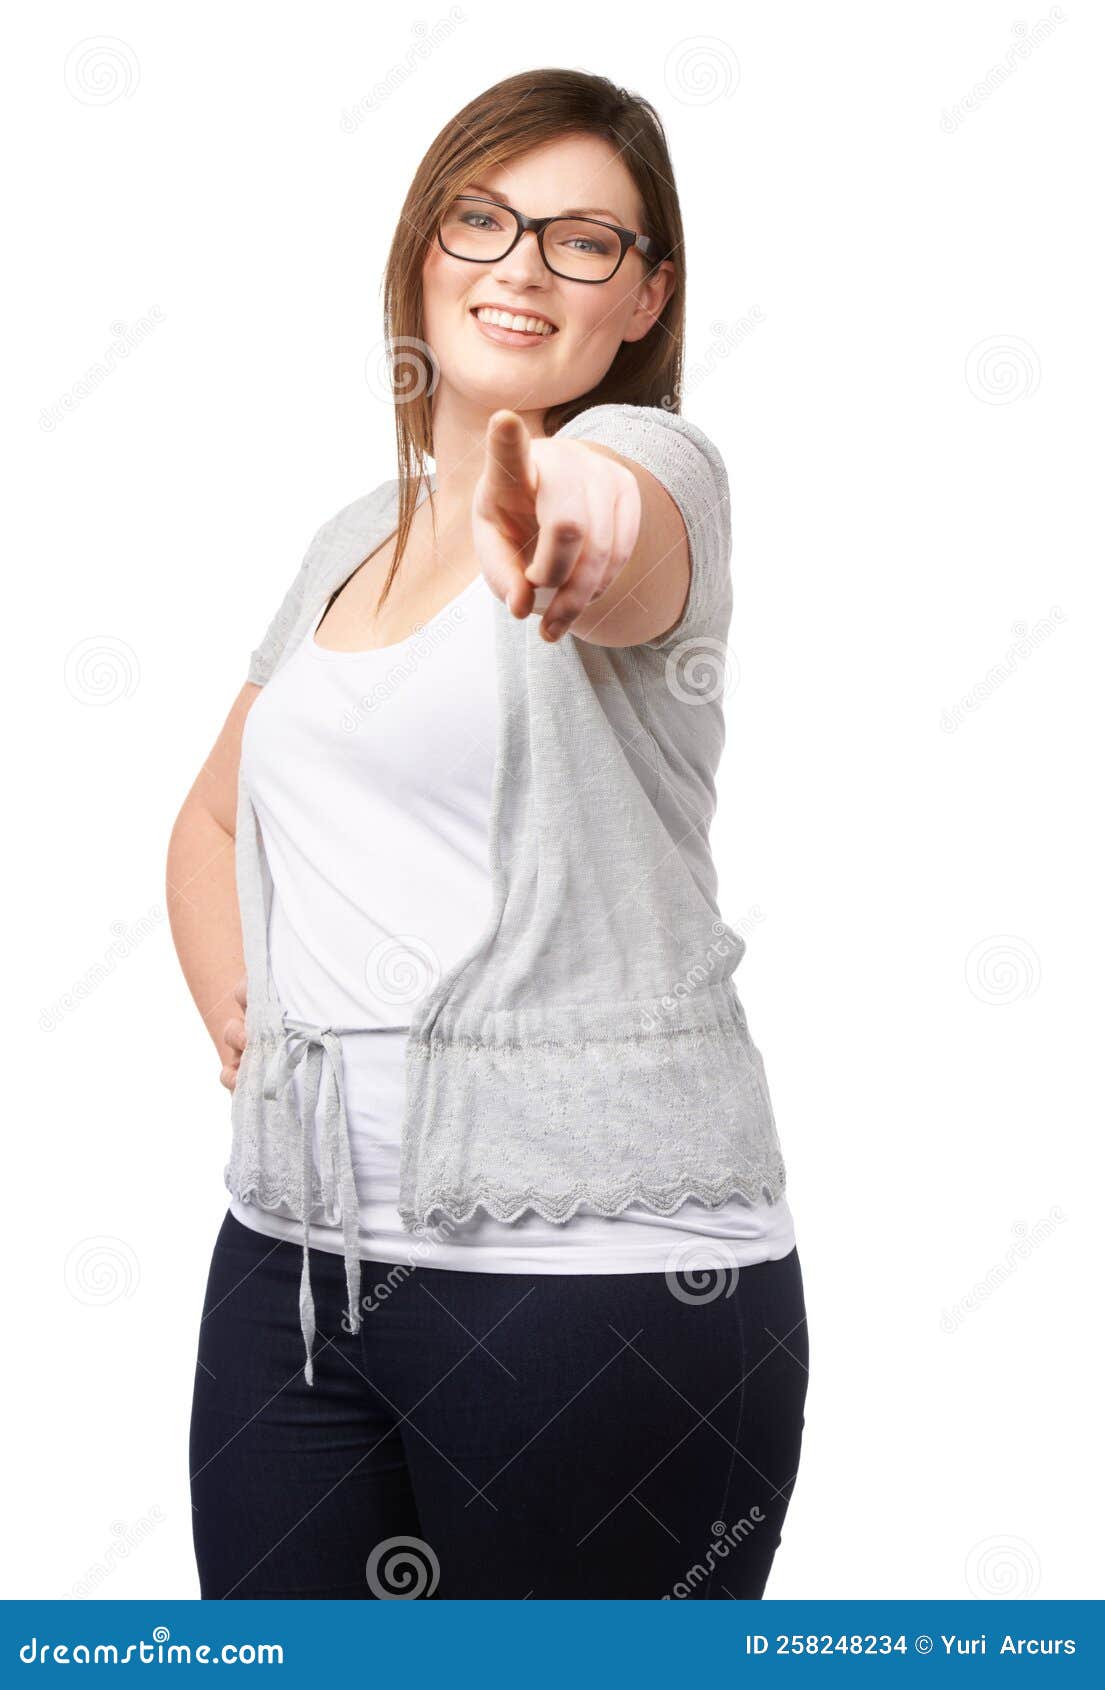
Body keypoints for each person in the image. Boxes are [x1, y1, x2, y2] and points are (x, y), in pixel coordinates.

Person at [169, 67, 808, 1601]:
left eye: (584, 240)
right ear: (424, 246)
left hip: (596, 1286)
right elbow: (211, 812)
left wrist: (559, 513)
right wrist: (242, 1013)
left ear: (642, 295)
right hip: (291, 1268)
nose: (522, 262)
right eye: (484, 216)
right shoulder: (352, 536)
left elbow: (609, 522)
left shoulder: (660, 473)